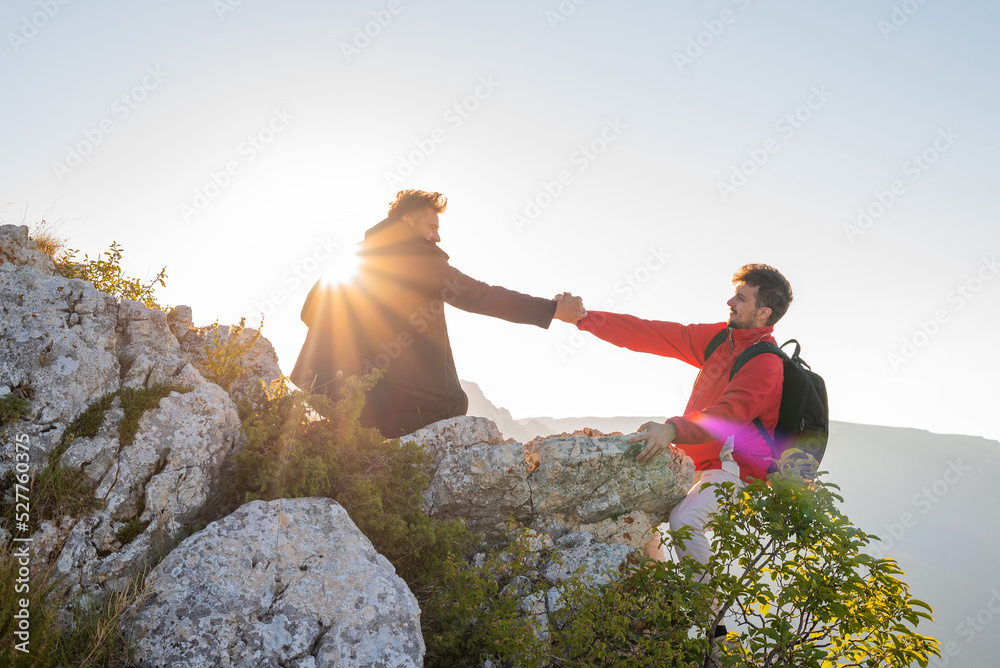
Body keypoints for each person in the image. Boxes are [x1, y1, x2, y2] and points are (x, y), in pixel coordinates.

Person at [571, 263, 793, 636]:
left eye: (741, 298)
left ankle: (714, 634)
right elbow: (656, 334)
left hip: (736, 472)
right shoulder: (722, 340)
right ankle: (656, 604)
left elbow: (729, 414)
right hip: (697, 463)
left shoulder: (766, 364)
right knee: (638, 513)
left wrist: (673, 429)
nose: (730, 302)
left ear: (763, 312)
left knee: (684, 521)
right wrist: (586, 319)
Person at [290, 189, 585, 437]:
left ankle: (347, 430)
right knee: (453, 404)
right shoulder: (414, 255)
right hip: (377, 394)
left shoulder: (353, 256)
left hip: (321, 389)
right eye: (432, 227)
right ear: (407, 222)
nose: (437, 237)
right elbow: (479, 295)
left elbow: (308, 310)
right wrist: (554, 309)